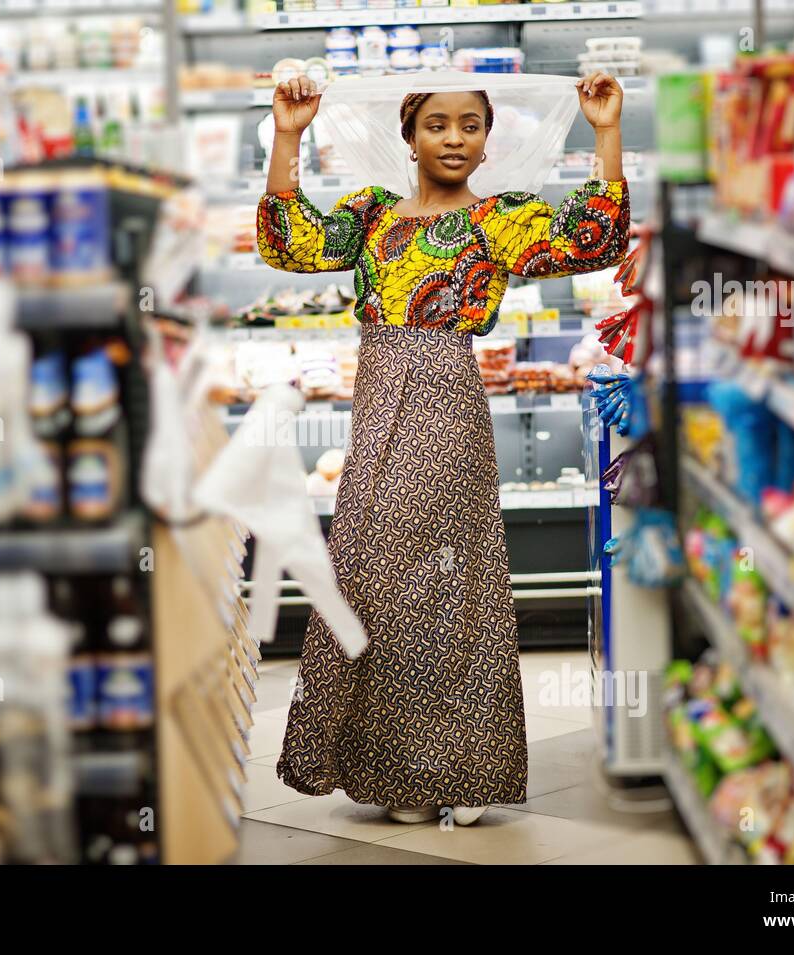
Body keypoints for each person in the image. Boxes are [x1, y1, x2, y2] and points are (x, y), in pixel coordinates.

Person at [256, 72, 630, 825]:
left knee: (443, 584)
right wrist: (289, 135)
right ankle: (399, 770)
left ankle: (456, 766)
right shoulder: (368, 214)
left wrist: (606, 131)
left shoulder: (501, 219)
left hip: (446, 408)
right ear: (410, 135)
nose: (454, 138)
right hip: (375, 401)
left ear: (488, 139)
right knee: (373, 577)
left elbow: (592, 239)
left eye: (469, 125)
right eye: (437, 124)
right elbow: (288, 245)